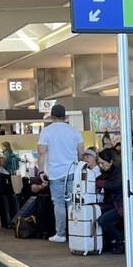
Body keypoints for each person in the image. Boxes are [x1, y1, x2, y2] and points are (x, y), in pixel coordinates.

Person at [37, 103, 84, 243]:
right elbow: (82, 153)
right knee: (72, 203)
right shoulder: (74, 131)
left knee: (58, 203)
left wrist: (41, 171)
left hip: (55, 173)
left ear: (51, 116)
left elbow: (41, 153)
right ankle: (75, 233)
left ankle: (61, 234)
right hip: (72, 172)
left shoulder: (46, 131)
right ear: (65, 116)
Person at [0, 141, 21, 228]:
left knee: (4, 199)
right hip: (12, 178)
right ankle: (14, 220)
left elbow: (1, 164)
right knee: (12, 199)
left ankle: (6, 222)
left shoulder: (4, 155)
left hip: (4, 179)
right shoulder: (14, 155)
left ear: (5, 147)